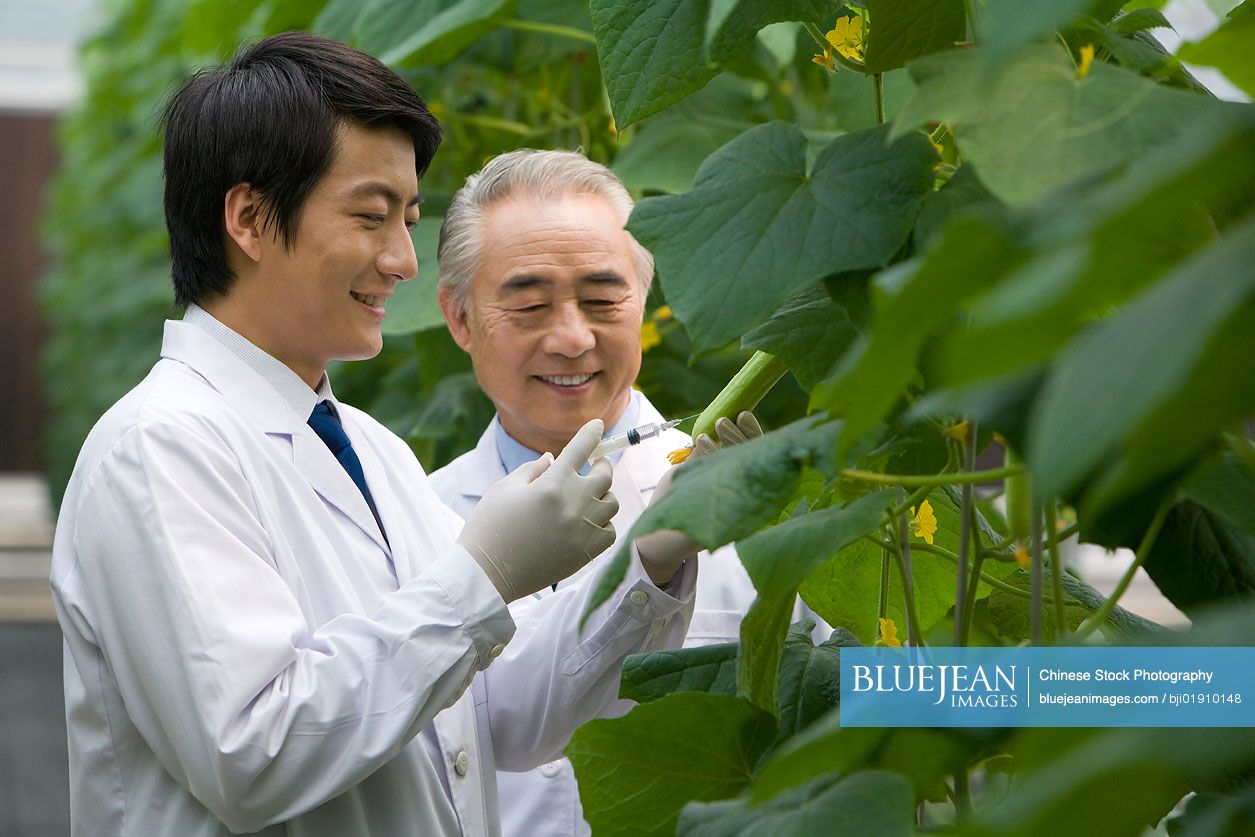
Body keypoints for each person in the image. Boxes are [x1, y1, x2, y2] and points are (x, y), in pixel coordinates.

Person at [50, 33, 697, 837]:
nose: (401, 260)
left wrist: (652, 556)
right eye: (371, 217)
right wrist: (481, 576)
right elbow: (251, 753)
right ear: (249, 217)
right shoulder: (157, 449)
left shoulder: (370, 448)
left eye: (409, 219)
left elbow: (498, 718)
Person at [430, 149, 827, 837]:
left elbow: (867, 694)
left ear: (643, 301)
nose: (572, 337)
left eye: (602, 299)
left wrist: (1070, 691)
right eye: (528, 303)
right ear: (460, 317)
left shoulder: (765, 495)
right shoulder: (412, 516)